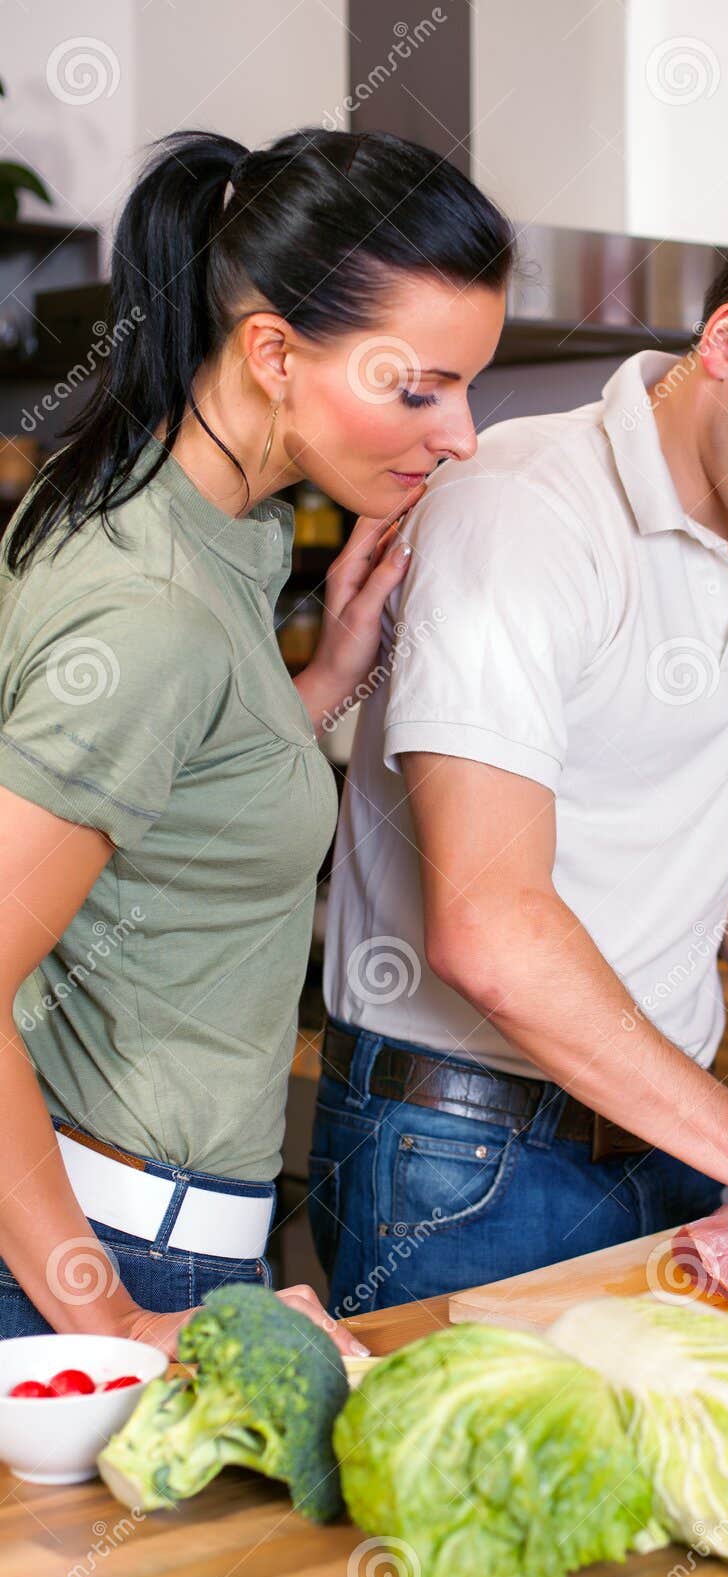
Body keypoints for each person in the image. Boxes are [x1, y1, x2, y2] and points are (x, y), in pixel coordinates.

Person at [313, 177, 728, 1316]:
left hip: (678, 1137)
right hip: (459, 1160)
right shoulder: (520, 512)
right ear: (727, 341)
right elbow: (486, 924)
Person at [0, 126, 513, 1355]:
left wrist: (323, 678)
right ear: (274, 352)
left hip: (141, 1227)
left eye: (469, 384)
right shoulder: (153, 612)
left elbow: (164, 811)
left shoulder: (171, 520)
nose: (462, 434)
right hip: (105, 1250)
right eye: (419, 385)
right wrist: (114, 1318)